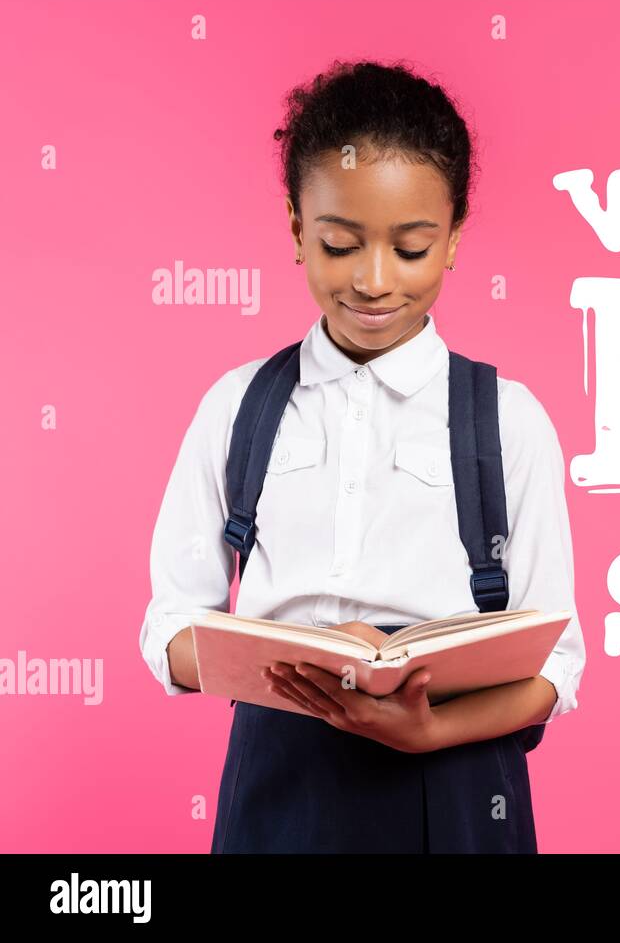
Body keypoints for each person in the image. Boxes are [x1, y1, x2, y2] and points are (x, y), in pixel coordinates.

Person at [138, 59, 585, 853]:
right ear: (295, 227)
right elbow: (171, 626)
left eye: (411, 249)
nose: (374, 281)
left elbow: (556, 665)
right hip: (282, 775)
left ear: (453, 239)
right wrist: (296, 662)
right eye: (340, 244)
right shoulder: (238, 406)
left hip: (455, 780)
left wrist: (426, 728)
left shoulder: (508, 421)